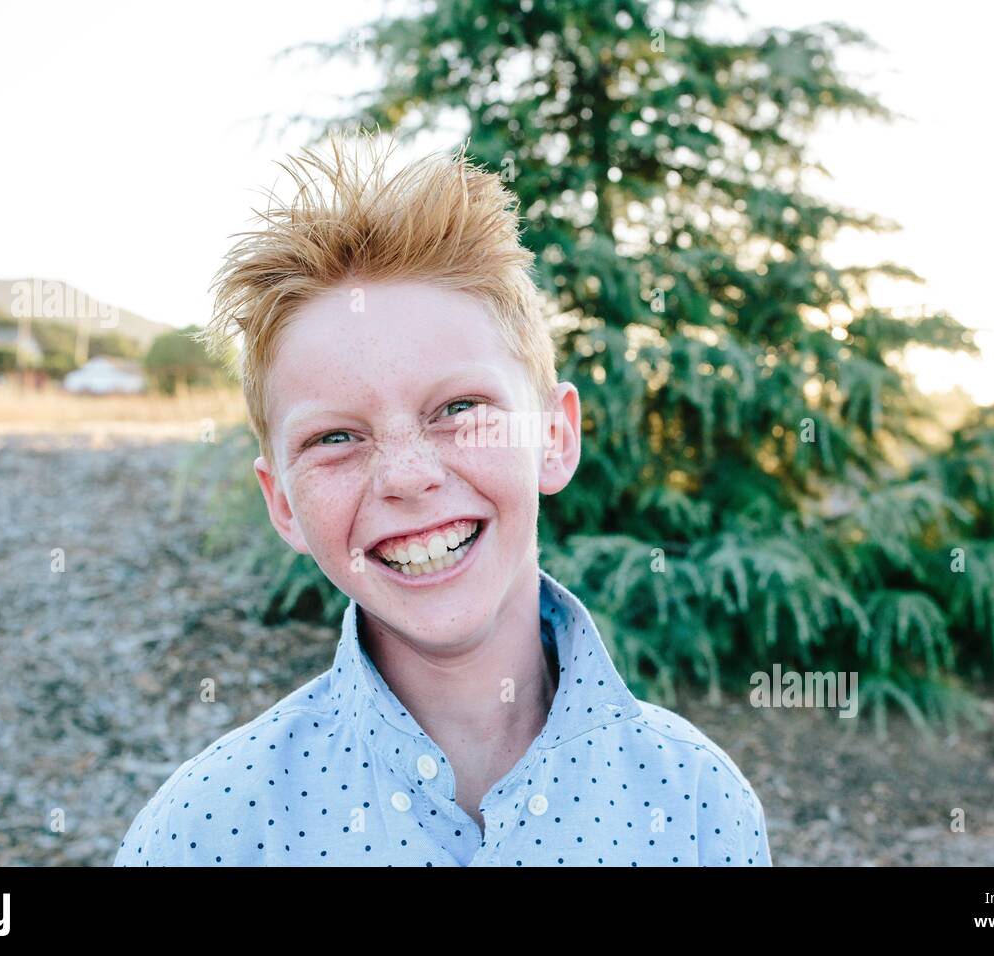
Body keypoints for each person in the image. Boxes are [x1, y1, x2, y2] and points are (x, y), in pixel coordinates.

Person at [114, 131, 771, 867]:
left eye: (458, 407)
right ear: (284, 504)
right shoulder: (200, 834)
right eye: (335, 438)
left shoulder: (698, 806)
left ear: (553, 436)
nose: (407, 475)